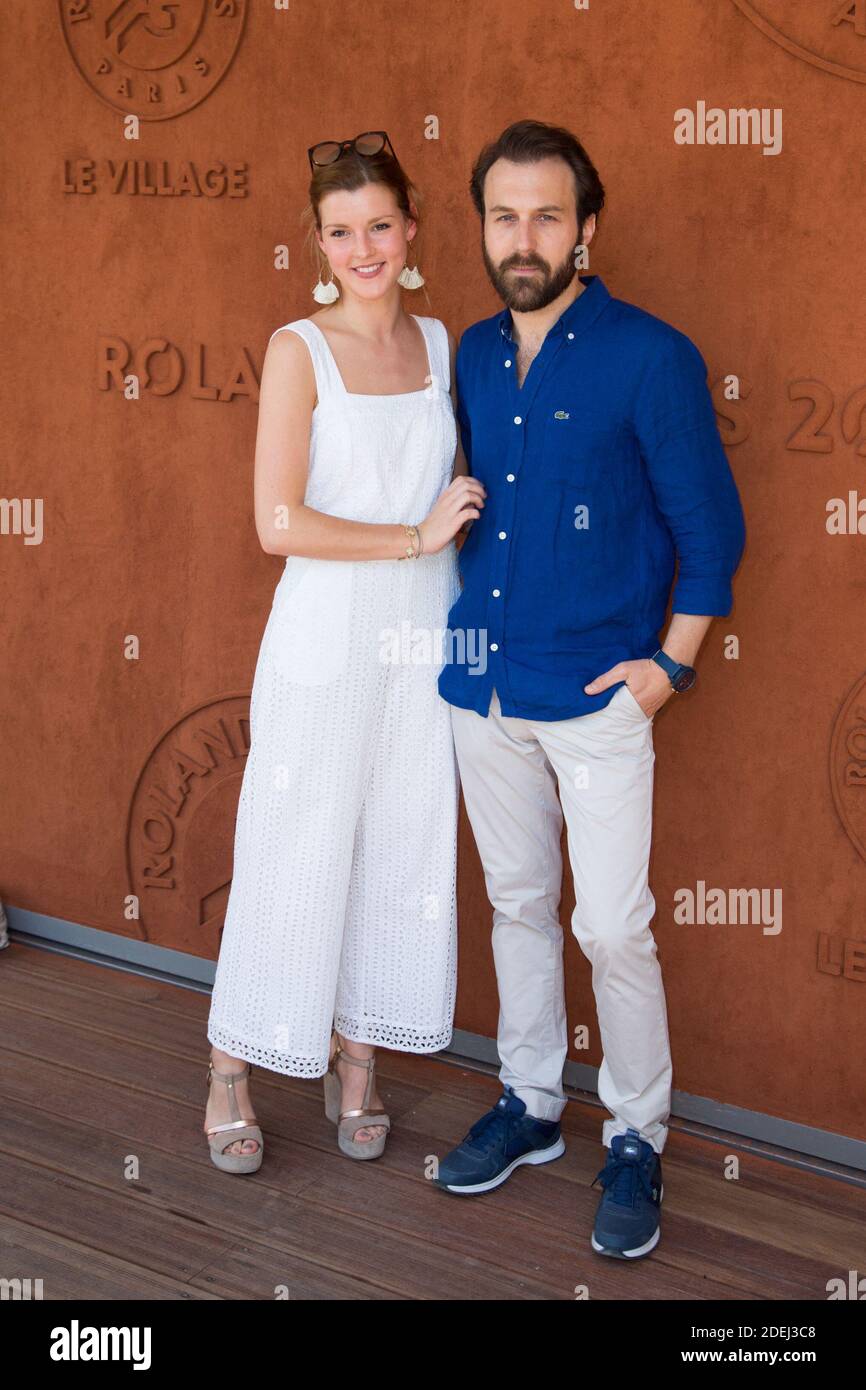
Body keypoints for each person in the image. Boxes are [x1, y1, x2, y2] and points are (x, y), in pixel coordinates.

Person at [433, 120, 746, 1260]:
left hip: (600, 696)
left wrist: (667, 668)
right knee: (515, 903)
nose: (523, 238)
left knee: (610, 927)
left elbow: (710, 531)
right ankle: (529, 1104)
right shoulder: (468, 350)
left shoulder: (649, 355)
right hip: (481, 684)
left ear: (585, 229)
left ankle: (636, 1136)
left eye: (546, 215)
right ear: (481, 228)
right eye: (503, 215)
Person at [204, 130, 486, 1172]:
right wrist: (415, 533)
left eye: (377, 224)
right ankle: (232, 1065)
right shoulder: (298, 350)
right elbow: (278, 522)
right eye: (338, 230)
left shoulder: (443, 344)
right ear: (317, 242)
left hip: (420, 644)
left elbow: (454, 480)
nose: (360, 246)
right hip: (324, 639)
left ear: (409, 230)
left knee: (401, 843)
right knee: (292, 845)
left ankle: (354, 1063)